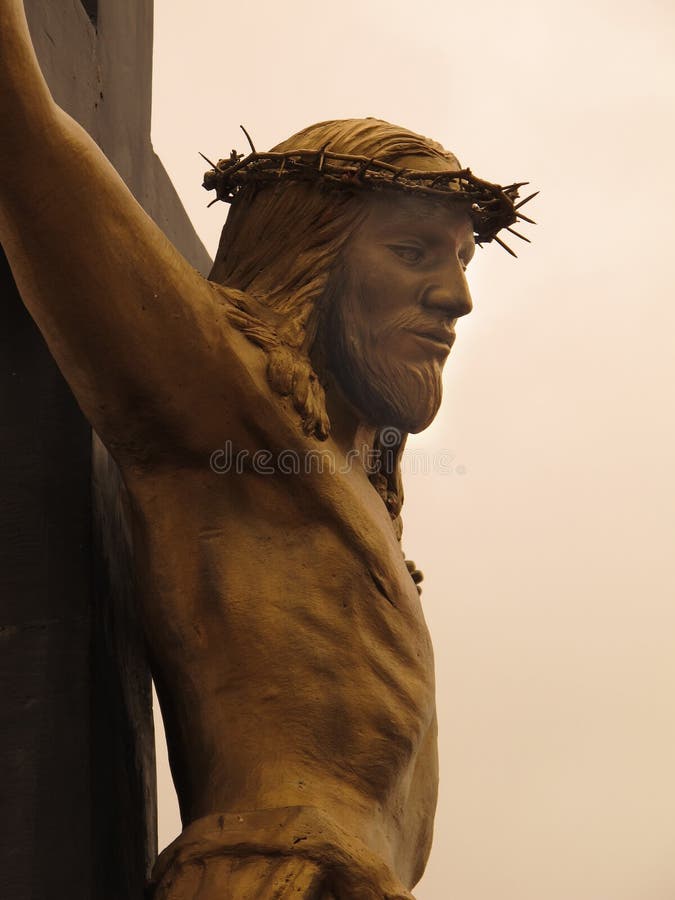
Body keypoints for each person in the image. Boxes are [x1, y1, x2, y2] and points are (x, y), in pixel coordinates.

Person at [0, 2, 531, 896]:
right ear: (311, 261)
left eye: (462, 260)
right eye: (412, 252)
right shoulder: (229, 409)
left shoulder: (345, 479)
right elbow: (29, 144)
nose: (455, 298)